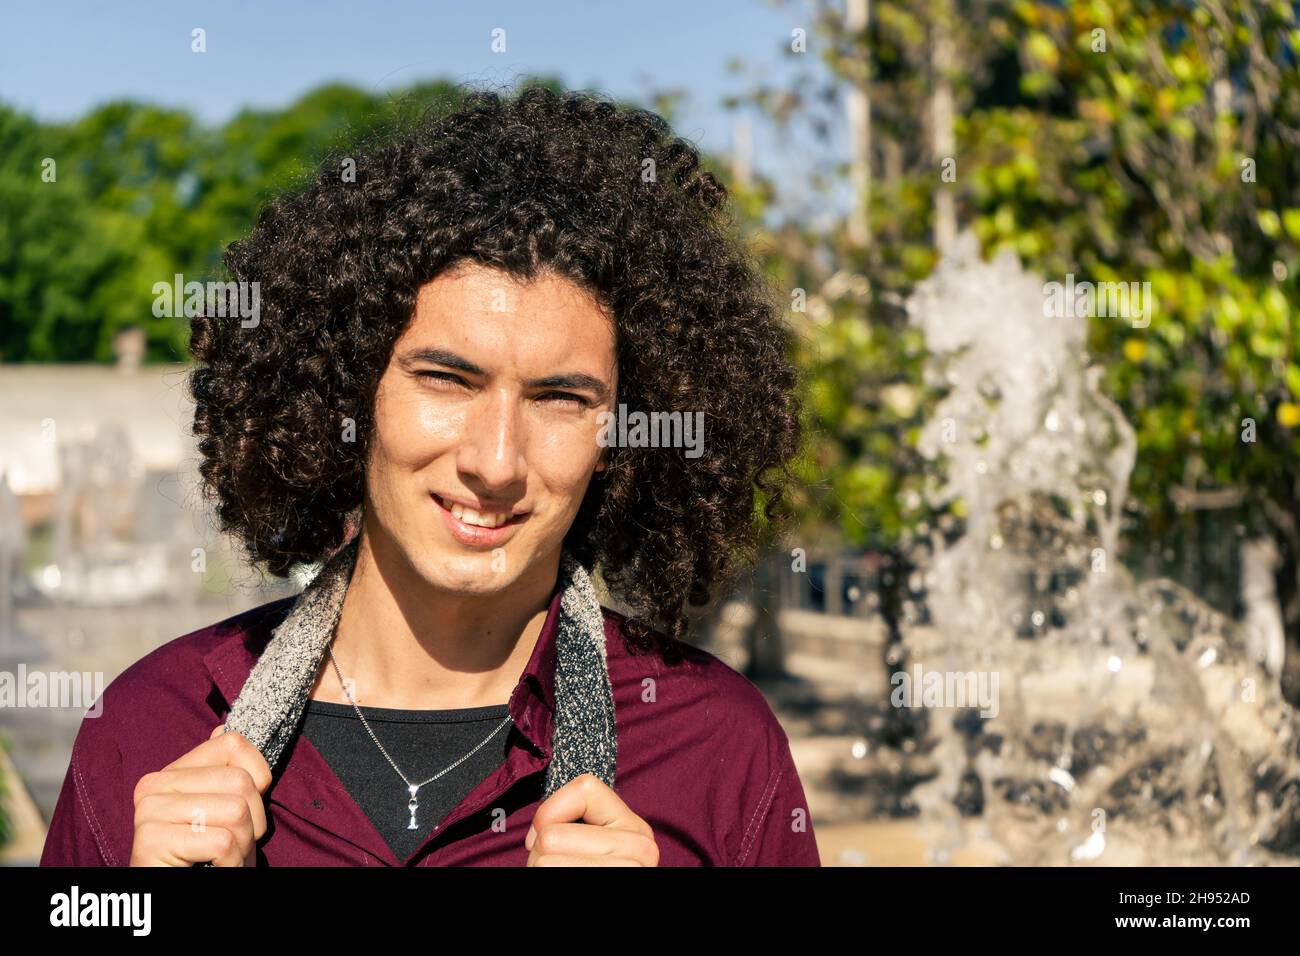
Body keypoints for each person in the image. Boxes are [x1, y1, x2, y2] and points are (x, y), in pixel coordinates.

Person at [39, 84, 818, 867]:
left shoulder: (719, 751)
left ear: (619, 433)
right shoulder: (150, 728)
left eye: (560, 399)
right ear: (349, 390)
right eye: (446, 380)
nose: (496, 461)